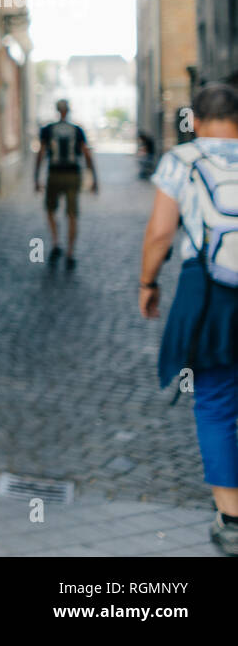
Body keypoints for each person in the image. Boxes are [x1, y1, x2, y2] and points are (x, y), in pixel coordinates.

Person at [139, 81, 238, 556]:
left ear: (194, 121)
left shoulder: (182, 160)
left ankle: (232, 520)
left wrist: (148, 283)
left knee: (216, 400)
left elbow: (160, 233)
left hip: (209, 292)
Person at [34, 99, 98, 270]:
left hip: (54, 173)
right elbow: (86, 154)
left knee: (50, 210)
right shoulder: (77, 130)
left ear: (57, 111)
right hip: (72, 174)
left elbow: (41, 153)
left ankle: (56, 242)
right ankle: (70, 252)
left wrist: (36, 177)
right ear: (68, 111)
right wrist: (94, 178)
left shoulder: (48, 130)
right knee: (72, 215)